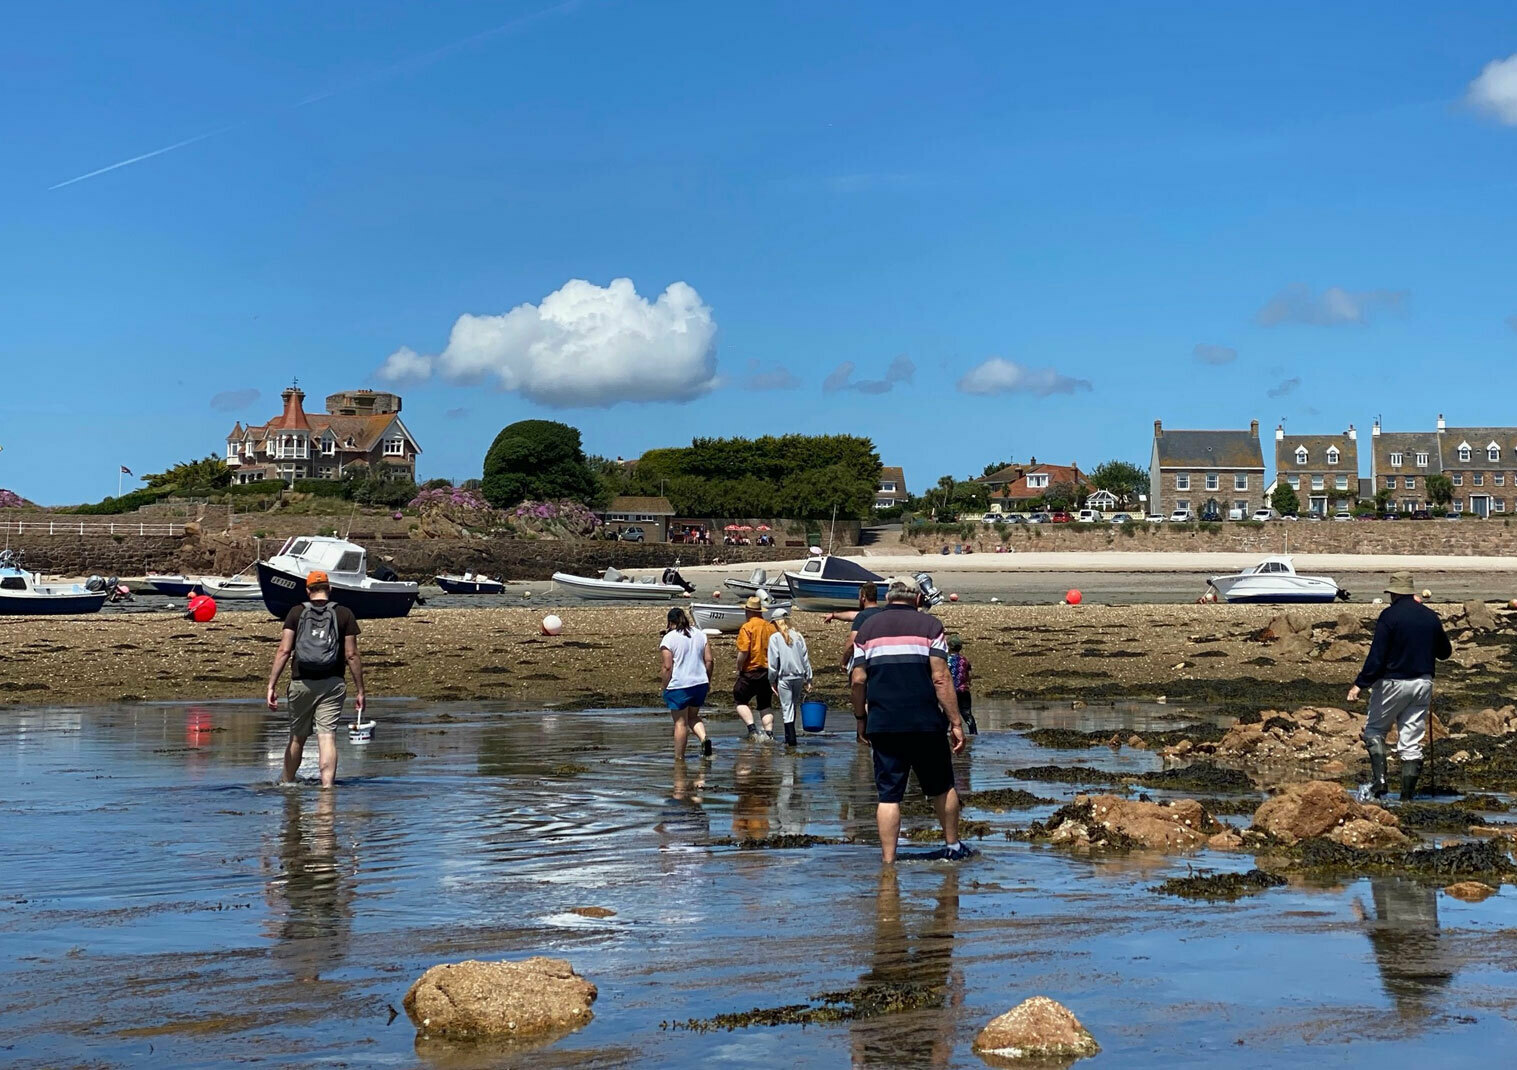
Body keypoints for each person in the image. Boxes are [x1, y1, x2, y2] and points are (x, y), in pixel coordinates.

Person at [851, 576, 972, 863]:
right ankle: (952, 847)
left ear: (888, 598)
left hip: (883, 722)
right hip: (926, 723)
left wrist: (860, 717)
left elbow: (858, 679)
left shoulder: (867, 628)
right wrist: (956, 722)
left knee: (889, 795)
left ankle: (889, 861)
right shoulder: (931, 626)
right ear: (918, 599)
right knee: (942, 787)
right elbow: (941, 678)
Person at [1347, 570, 1453, 800]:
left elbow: (1377, 656)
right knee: (1411, 742)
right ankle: (1407, 798)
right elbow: (1445, 653)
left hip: (1392, 682)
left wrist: (1359, 684)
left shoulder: (1389, 616)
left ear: (1393, 594)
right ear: (1412, 591)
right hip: (1423, 683)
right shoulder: (1430, 616)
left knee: (1375, 731)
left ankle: (1380, 782)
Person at [266, 571, 364, 788]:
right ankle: (327, 787)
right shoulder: (344, 614)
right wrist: (360, 690)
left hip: (301, 682)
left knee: (297, 737)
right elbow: (351, 655)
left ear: (307, 590)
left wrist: (272, 684)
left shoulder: (296, 612)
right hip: (333, 683)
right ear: (329, 589)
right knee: (327, 737)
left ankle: (287, 782)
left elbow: (284, 650)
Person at [660, 607, 714, 760]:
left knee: (680, 722)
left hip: (679, 685)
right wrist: (708, 680)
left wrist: (664, 685)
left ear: (670, 622)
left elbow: (667, 667)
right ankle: (704, 738)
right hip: (700, 682)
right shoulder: (700, 634)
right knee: (693, 716)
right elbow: (709, 661)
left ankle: (679, 758)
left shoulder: (669, 638)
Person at [767, 607, 814, 746]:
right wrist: (809, 678)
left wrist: (771, 680)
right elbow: (805, 658)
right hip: (799, 676)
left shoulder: (774, 638)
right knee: (793, 705)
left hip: (785, 677)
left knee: (787, 707)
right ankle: (790, 738)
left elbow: (773, 662)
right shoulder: (798, 636)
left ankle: (791, 740)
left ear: (776, 623)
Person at [734, 596, 779, 740]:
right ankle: (769, 733)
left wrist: (739, 667)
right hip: (768, 671)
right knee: (765, 704)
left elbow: (744, 652)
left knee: (740, 699)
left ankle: (752, 730)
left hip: (750, 670)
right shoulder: (770, 627)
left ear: (749, 612)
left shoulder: (747, 627)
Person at [828, 581, 882, 671]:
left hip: (867, 661)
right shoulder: (882, 613)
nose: (859, 599)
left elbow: (852, 642)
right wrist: (834, 615)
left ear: (863, 597)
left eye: (859, 596)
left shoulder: (862, 616)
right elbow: (852, 615)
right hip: (882, 658)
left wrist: (844, 661)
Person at [946, 635, 978, 736]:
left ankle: (944, 734)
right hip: (964, 691)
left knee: (947, 714)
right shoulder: (965, 660)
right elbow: (968, 676)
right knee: (967, 714)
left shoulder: (946, 660)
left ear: (949, 646)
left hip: (951, 691)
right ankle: (974, 733)